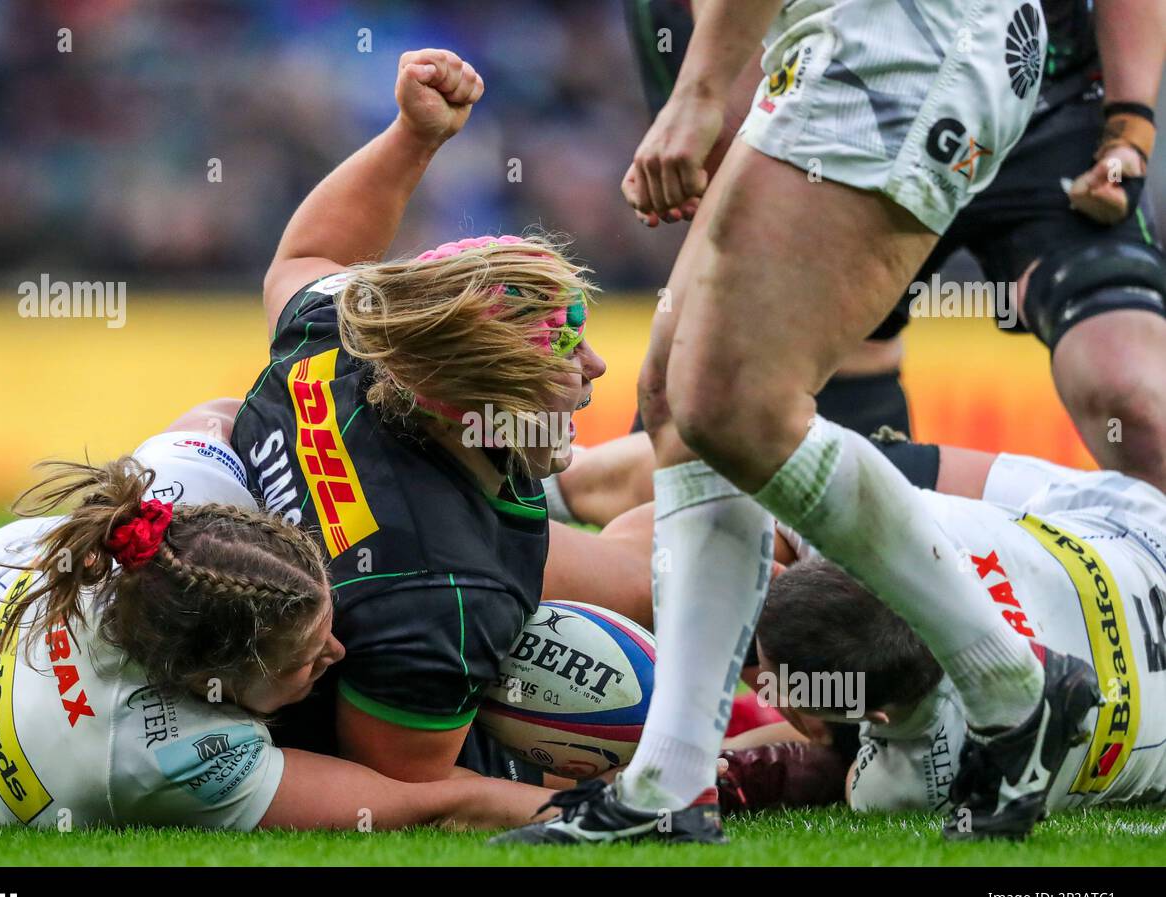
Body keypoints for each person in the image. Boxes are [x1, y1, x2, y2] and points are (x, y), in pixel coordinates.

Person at [496, 0, 1105, 846]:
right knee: (677, 398)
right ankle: (669, 782)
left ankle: (1013, 687)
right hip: (843, 36)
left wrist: (702, 90)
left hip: (909, 34)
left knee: (736, 406)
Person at [546, 0, 1166, 530]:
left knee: (1134, 402)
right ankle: (550, 510)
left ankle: (536, 500)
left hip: (1018, 89)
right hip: (848, 85)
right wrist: (706, 100)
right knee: (700, 417)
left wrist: (1130, 124)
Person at [0, 415, 556, 831]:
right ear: (210, 683)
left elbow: (219, 417)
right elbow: (420, 807)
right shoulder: (155, 753)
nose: (340, 652)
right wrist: (610, 809)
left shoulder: (177, 503)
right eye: (308, 659)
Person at [231, 48, 610, 784]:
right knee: (655, 579)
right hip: (397, 644)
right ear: (480, 407)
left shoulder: (356, 336)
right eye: (558, 358)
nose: (595, 368)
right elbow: (405, 788)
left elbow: (307, 255)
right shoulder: (446, 599)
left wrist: (415, 134)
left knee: (653, 519)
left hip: (367, 530)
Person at [750, 451, 1166, 825]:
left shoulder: (921, 785)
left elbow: (843, 774)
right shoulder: (904, 522)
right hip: (1141, 528)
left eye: (779, 695)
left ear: (873, 717)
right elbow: (766, 526)